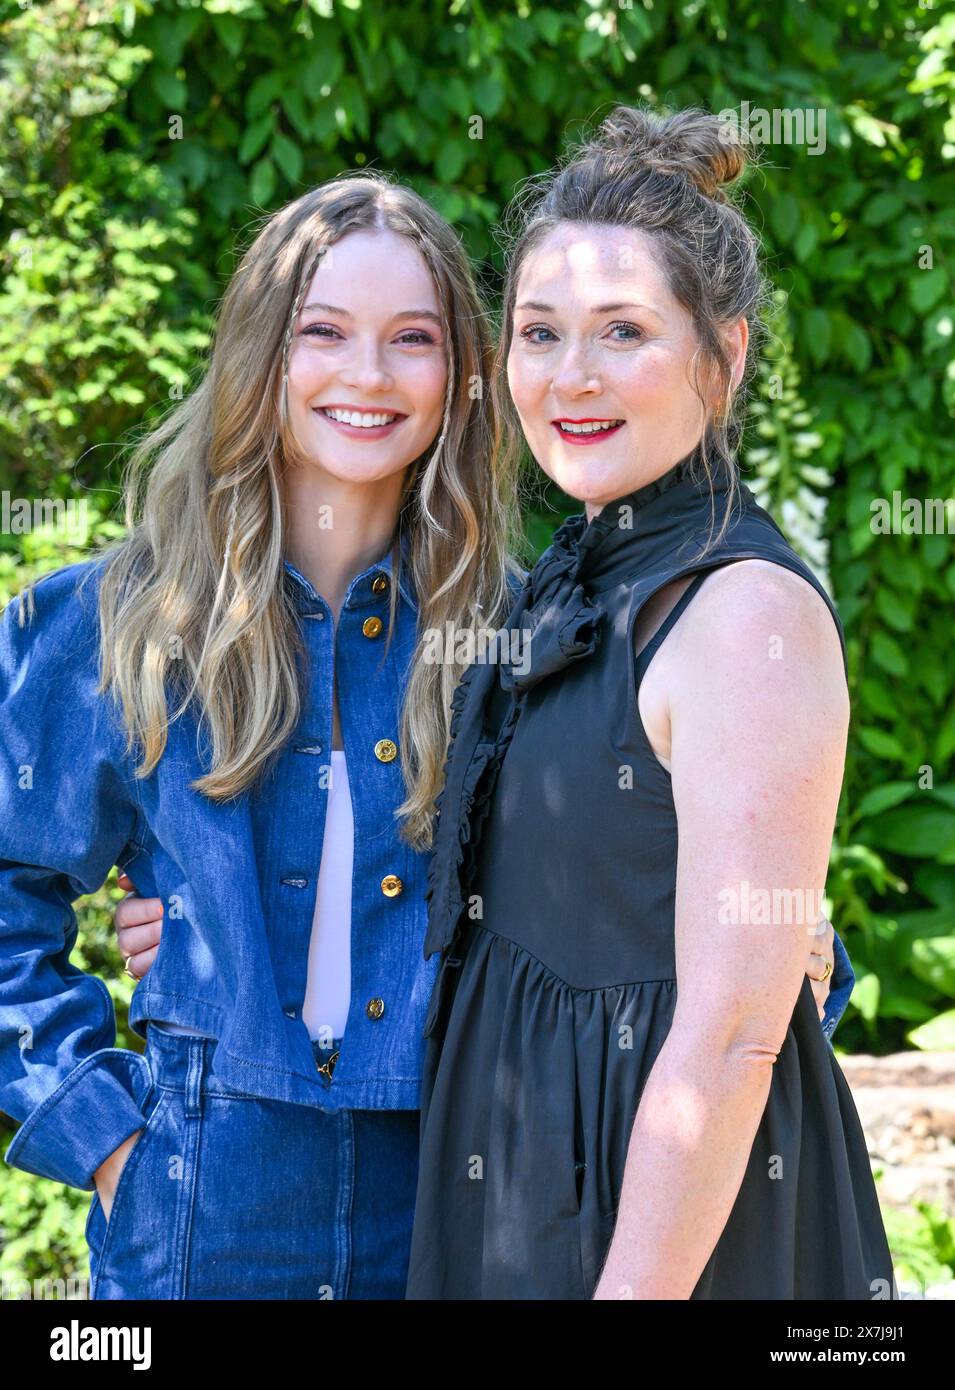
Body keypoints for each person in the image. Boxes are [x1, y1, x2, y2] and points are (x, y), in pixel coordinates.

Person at [0, 170, 525, 1299]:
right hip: (198, 1198)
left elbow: (623, 887)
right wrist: (103, 1139)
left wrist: (787, 957)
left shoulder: (514, 634)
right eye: (322, 331)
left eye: (413, 338)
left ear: (461, 375)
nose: (367, 375)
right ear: (259, 354)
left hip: (449, 1201)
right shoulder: (122, 622)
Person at [402, 105, 897, 1300]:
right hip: (526, 1168)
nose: (570, 376)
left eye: (623, 332)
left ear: (721, 359)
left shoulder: (741, 613)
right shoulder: (573, 574)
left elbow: (732, 1038)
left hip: (658, 1234)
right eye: (539, 332)